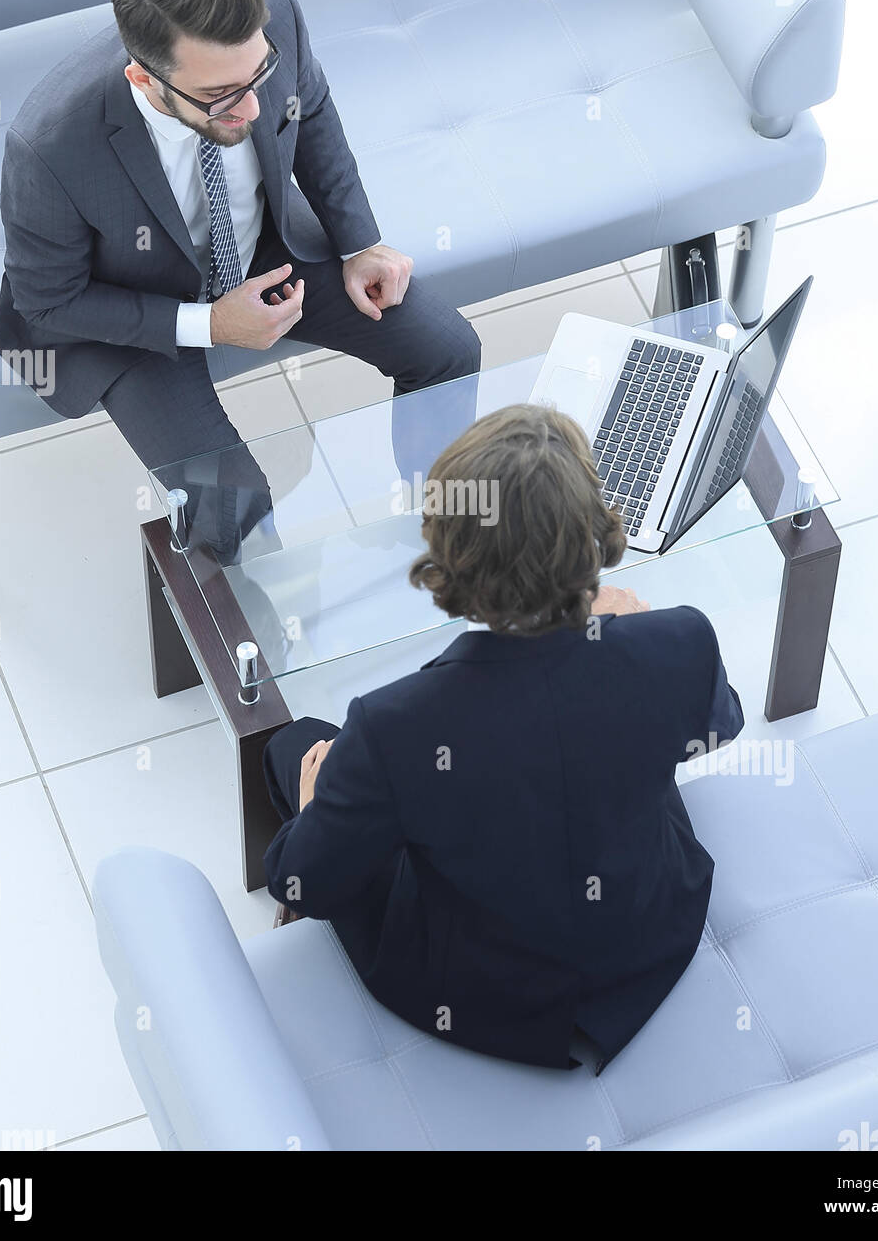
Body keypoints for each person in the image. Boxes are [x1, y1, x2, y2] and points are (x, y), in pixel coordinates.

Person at [263, 402, 743, 1074]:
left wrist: (317, 804)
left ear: (452, 555)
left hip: (480, 996)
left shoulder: (392, 726)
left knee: (297, 744)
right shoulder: (678, 639)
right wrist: (623, 634)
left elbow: (299, 885)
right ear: (595, 533)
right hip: (652, 935)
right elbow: (719, 726)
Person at [0, 0, 481, 559]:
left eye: (260, 76)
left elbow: (314, 113)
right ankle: (265, 635)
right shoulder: (50, 147)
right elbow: (47, 300)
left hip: (263, 250)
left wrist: (360, 242)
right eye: (223, 96)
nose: (252, 107)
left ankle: (454, 547)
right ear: (145, 79)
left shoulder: (270, 10)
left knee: (447, 349)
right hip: (128, 310)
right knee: (230, 505)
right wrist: (210, 324)